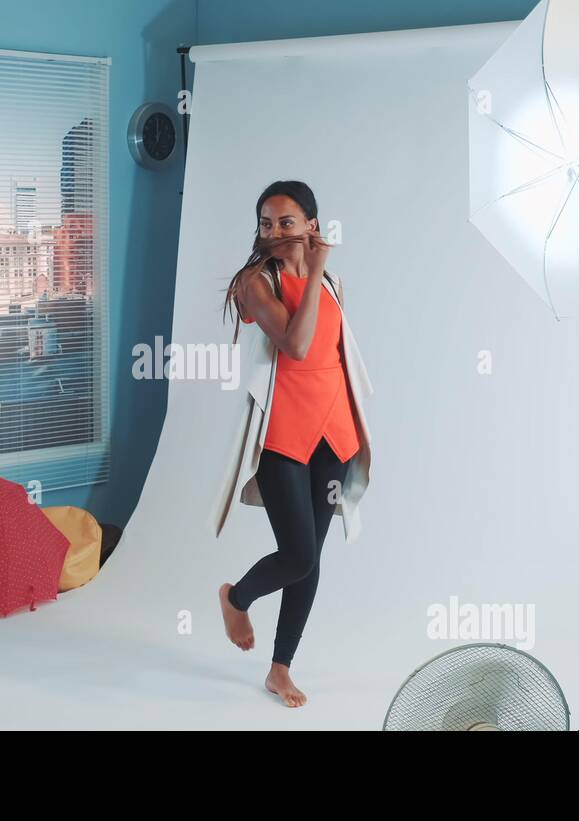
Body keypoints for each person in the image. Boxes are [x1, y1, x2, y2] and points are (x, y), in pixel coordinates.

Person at [215, 180, 373, 708]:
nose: (274, 231)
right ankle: (236, 598)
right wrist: (314, 267)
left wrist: (318, 270)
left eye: (286, 221)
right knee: (298, 555)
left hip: (335, 433)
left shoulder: (330, 284)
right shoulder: (256, 282)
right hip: (285, 435)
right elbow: (298, 345)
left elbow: (338, 356)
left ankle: (280, 669)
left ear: (310, 222)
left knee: (312, 558)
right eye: (265, 223)